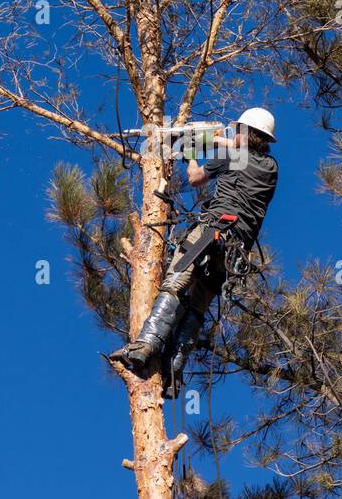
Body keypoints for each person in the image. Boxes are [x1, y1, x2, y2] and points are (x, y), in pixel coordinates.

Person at [110, 108, 278, 391]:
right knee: (199, 304)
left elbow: (195, 178)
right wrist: (204, 138)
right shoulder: (271, 168)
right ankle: (173, 371)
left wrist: (189, 154)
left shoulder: (231, 156)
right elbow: (237, 149)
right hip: (234, 253)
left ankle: (145, 346)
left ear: (245, 133)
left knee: (176, 281)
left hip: (212, 231)